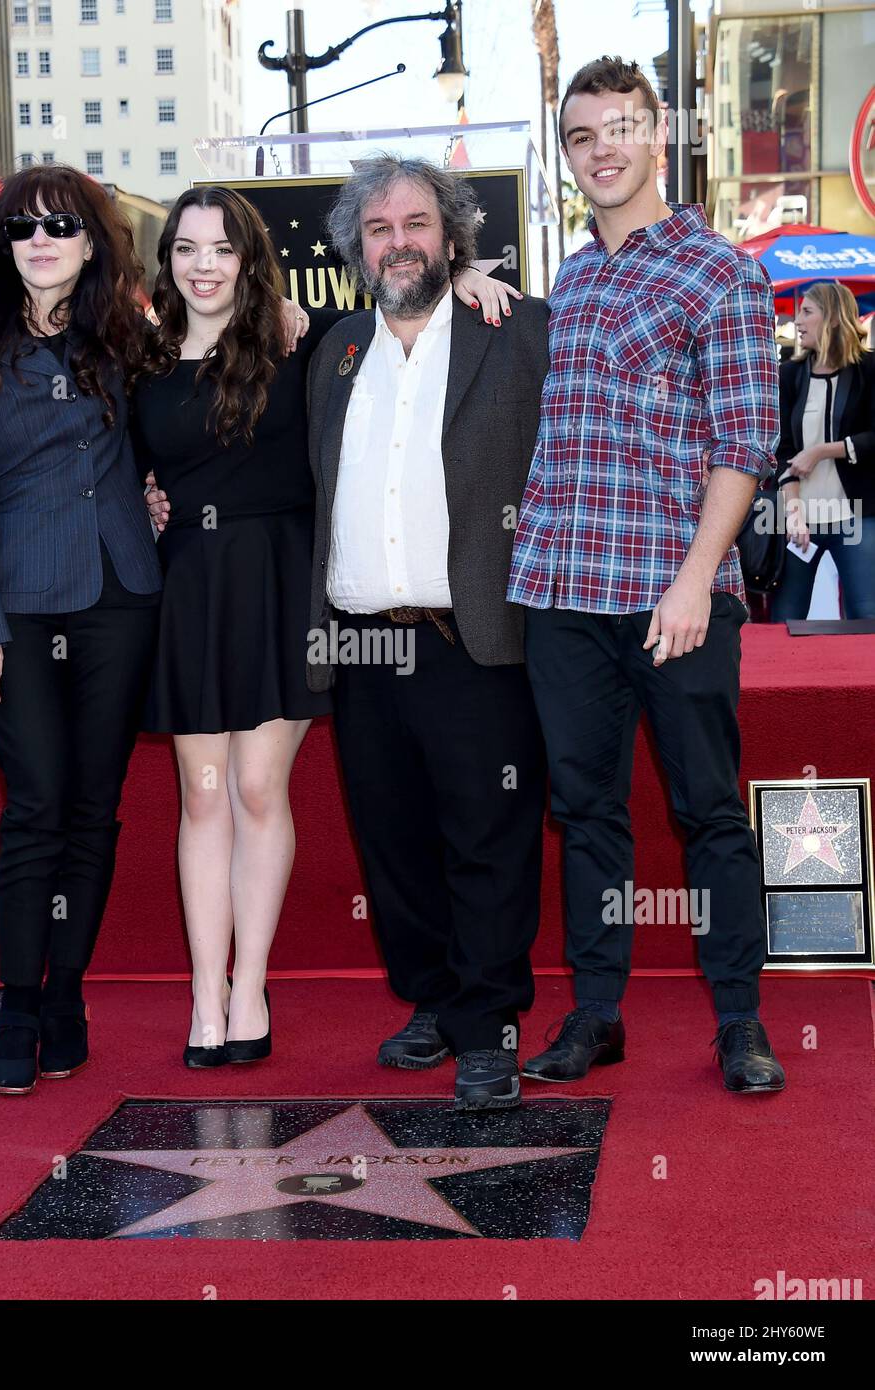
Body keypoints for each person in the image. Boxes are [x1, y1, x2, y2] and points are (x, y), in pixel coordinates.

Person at [140, 184, 519, 1070]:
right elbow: (120, 463)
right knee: (204, 796)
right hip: (194, 596)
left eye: (223, 248)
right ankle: (207, 994)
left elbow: (411, 311)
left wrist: (467, 278)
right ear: (167, 261)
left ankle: (253, 989)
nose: (204, 264)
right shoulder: (141, 358)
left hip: (285, 589)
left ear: (250, 258)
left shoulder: (300, 341)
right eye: (187, 248)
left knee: (262, 793)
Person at [508, 56, 786, 1095]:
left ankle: (738, 1020)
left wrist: (692, 578)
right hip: (562, 595)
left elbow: (743, 444)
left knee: (708, 809)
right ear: (568, 156)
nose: (601, 149)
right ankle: (594, 1014)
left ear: (655, 134)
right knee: (583, 813)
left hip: (676, 595)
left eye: (618, 128)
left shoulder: (720, 270)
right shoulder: (570, 280)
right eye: (581, 137)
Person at [0, 165, 165, 1096]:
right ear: (2, 248)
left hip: (119, 597)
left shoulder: (125, 341)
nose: (43, 240)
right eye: (23, 229)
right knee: (37, 803)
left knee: (94, 809)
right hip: (13, 607)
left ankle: (67, 995)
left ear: (93, 242)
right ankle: (17, 1007)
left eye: (62, 225)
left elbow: (225, 355)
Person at [304, 154, 550, 1111]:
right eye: (378, 229)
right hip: (365, 642)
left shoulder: (513, 330)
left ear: (450, 236)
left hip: (472, 636)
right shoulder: (334, 354)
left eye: (414, 224)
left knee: (489, 836)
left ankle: (489, 1023)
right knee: (393, 840)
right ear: (355, 249)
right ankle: (434, 1000)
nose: (397, 242)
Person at [772, 281, 875, 620]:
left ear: (832, 317)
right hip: (802, 519)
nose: (797, 320)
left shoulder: (868, 371)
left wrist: (821, 451)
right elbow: (782, 449)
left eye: (806, 312)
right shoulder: (789, 375)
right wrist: (794, 514)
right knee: (786, 617)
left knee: (866, 616)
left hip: (857, 516)